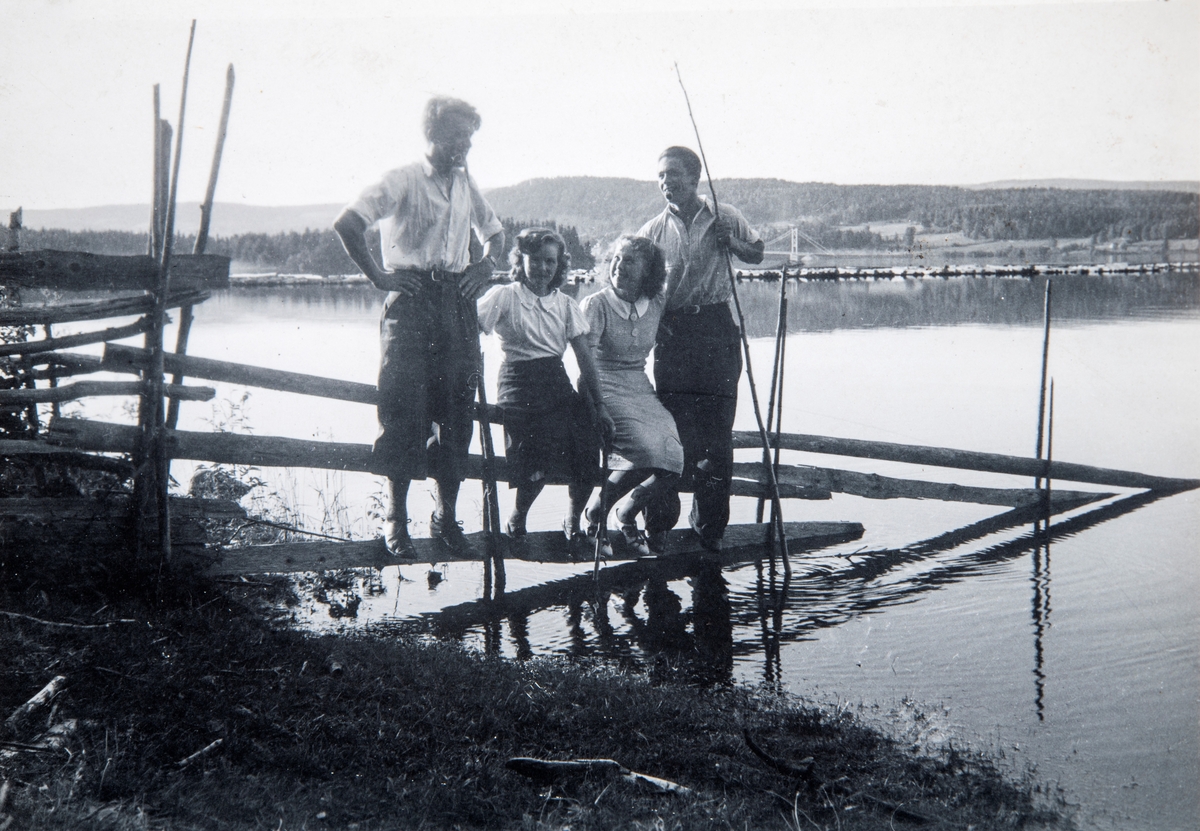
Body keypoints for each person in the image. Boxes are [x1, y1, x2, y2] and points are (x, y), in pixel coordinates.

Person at [333, 96, 504, 558]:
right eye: (455, 136)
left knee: (456, 414)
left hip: (456, 305)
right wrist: (379, 277)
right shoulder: (403, 179)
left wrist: (484, 268)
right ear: (431, 135)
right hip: (410, 305)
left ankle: (446, 518)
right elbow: (348, 223)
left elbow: (496, 234)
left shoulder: (467, 184)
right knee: (403, 409)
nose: (463, 146)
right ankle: (397, 520)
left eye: (469, 138)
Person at [637, 146, 764, 551]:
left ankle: (709, 530)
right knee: (670, 435)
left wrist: (734, 244)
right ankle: (658, 526)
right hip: (672, 333)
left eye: (674, 174)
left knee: (716, 436)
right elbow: (636, 293)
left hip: (715, 329)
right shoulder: (652, 232)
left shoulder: (724, 216)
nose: (666, 182)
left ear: (695, 177)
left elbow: (756, 253)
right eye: (661, 176)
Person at [476, 227, 614, 546]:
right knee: (534, 449)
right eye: (535, 260)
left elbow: (585, 359)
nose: (543, 268)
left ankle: (573, 516)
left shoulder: (565, 304)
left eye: (550, 262)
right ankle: (518, 516)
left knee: (586, 435)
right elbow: (471, 328)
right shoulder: (505, 295)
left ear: (559, 265)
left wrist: (600, 405)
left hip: (555, 381)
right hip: (517, 383)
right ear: (521, 259)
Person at [579, 236, 683, 556]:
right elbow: (585, 364)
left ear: (648, 273)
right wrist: (597, 406)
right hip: (603, 384)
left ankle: (626, 513)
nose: (619, 266)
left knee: (674, 458)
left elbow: (680, 274)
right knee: (645, 447)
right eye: (616, 258)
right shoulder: (596, 304)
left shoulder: (656, 303)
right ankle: (594, 514)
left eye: (630, 261)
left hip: (639, 384)